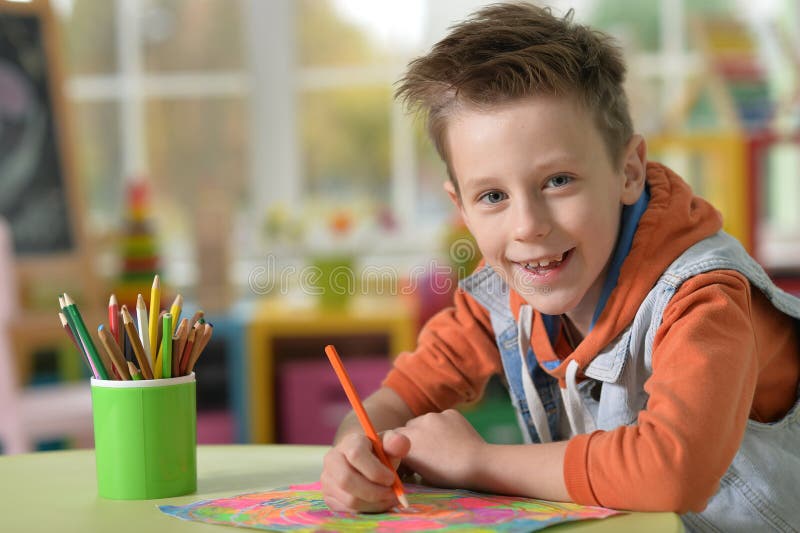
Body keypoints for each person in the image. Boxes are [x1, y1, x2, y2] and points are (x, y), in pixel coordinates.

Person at [319, 3, 800, 530]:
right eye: (493, 196)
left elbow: (673, 468)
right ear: (461, 208)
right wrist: (355, 451)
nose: (528, 226)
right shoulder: (503, 293)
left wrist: (479, 462)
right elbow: (399, 398)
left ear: (628, 172)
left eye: (558, 181)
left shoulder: (705, 300)